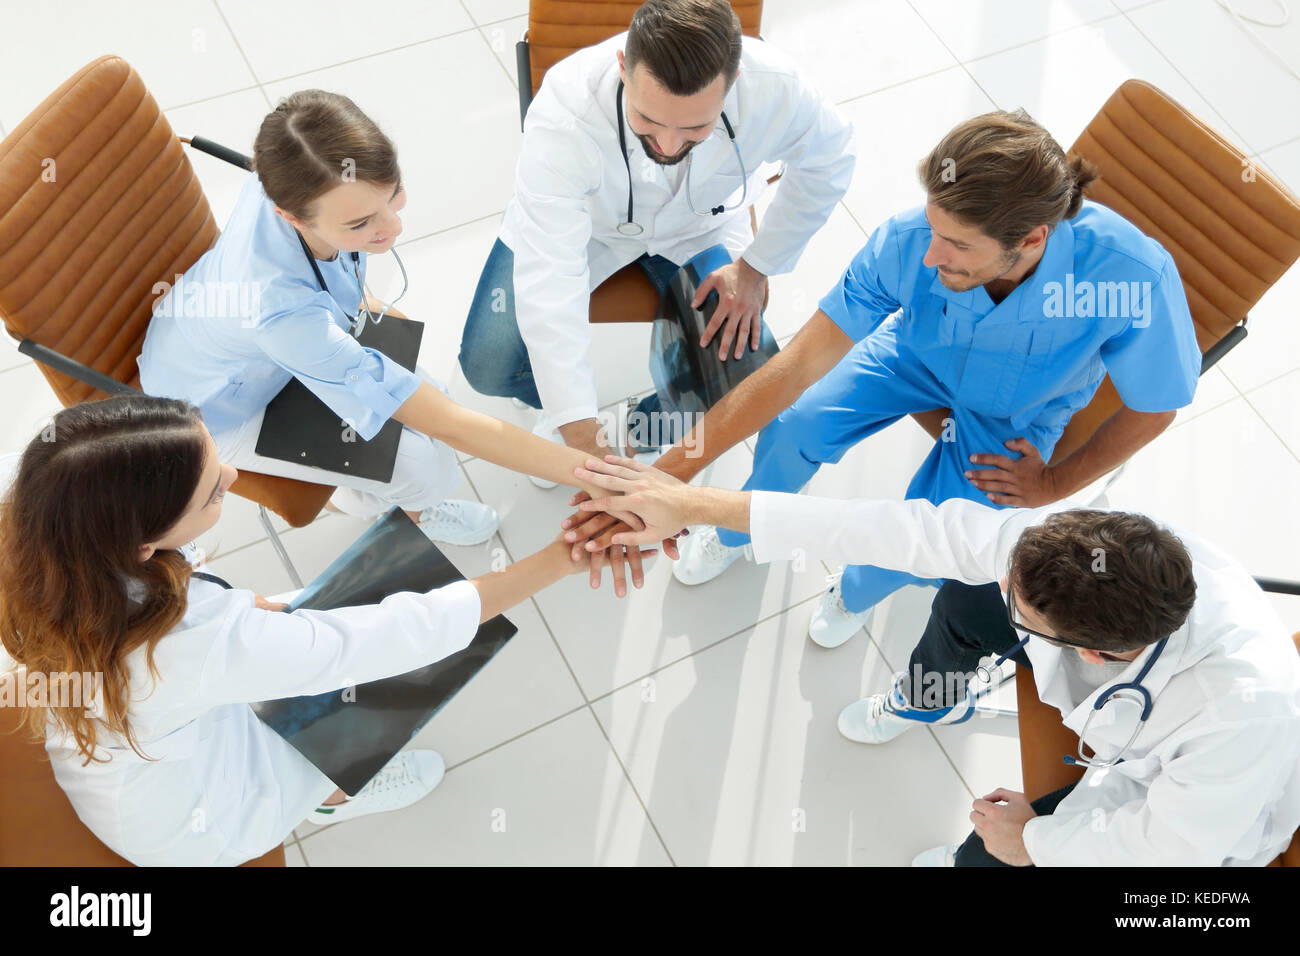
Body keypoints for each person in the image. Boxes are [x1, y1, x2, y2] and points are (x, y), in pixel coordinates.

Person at [565, 107, 1202, 654]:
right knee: (798, 424)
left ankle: (855, 591)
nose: (930, 255)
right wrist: (668, 478)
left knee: (941, 532)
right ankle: (734, 529)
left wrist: (1056, 483)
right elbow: (797, 366)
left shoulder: (1130, 276)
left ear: (1032, 240)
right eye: (933, 229)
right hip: (912, 357)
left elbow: (1156, 407)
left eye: (956, 246)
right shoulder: (908, 239)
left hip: (1014, 415)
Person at [0, 396, 654, 867]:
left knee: (350, 605)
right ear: (141, 545)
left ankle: (323, 761)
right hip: (196, 826)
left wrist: (272, 621)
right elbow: (404, 633)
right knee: (413, 623)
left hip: (136, 760)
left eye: (210, 456)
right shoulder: (187, 644)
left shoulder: (43, 536)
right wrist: (565, 557)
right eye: (212, 493)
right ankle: (331, 794)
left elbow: (225, 628)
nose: (231, 476)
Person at [570, 454, 1300, 866]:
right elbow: (902, 531)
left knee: (990, 860)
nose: (1003, 569)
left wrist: (1034, 839)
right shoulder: (1087, 545)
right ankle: (928, 697)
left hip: (1180, 832)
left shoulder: (1239, 716)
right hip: (1122, 709)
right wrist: (697, 506)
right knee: (964, 596)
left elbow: (1171, 846)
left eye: (1025, 605)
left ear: (1093, 651)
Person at [139, 90, 644, 575]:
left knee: (435, 402)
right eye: (361, 223)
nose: (393, 228)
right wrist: (600, 474)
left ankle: (369, 488)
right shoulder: (282, 312)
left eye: (393, 195)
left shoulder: (292, 161)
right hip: (217, 408)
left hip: (247, 339)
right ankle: (400, 508)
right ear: (289, 215)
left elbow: (439, 408)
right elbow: (452, 425)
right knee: (426, 469)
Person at [459, 0, 855, 493]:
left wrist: (757, 266)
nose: (668, 146)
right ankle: (559, 407)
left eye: (694, 128)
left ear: (732, 85)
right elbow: (550, 273)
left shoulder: (777, 87)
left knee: (733, 374)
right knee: (486, 366)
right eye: (648, 120)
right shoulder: (565, 111)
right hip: (589, 230)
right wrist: (578, 426)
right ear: (623, 68)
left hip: (702, 226)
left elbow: (830, 160)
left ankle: (640, 425)